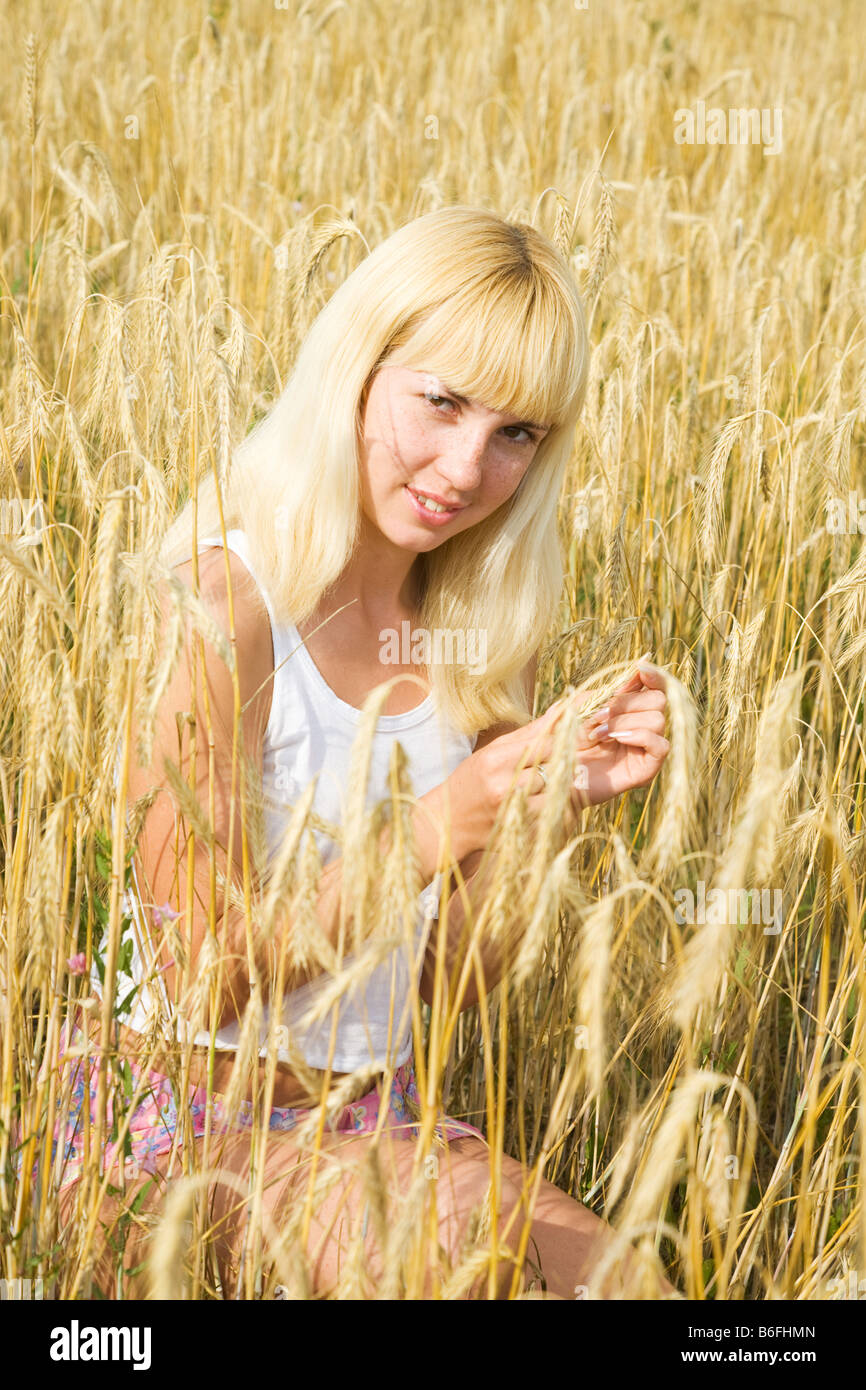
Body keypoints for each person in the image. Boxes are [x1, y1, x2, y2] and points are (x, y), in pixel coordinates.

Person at [56, 205, 671, 1300]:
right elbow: (201, 977)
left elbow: (445, 990)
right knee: (471, 1272)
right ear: (358, 365)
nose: (464, 467)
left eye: (515, 434)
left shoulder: (478, 645)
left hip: (379, 1122)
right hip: (184, 1128)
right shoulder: (228, 606)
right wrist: (453, 813)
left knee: (629, 1291)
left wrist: (538, 807)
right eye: (439, 402)